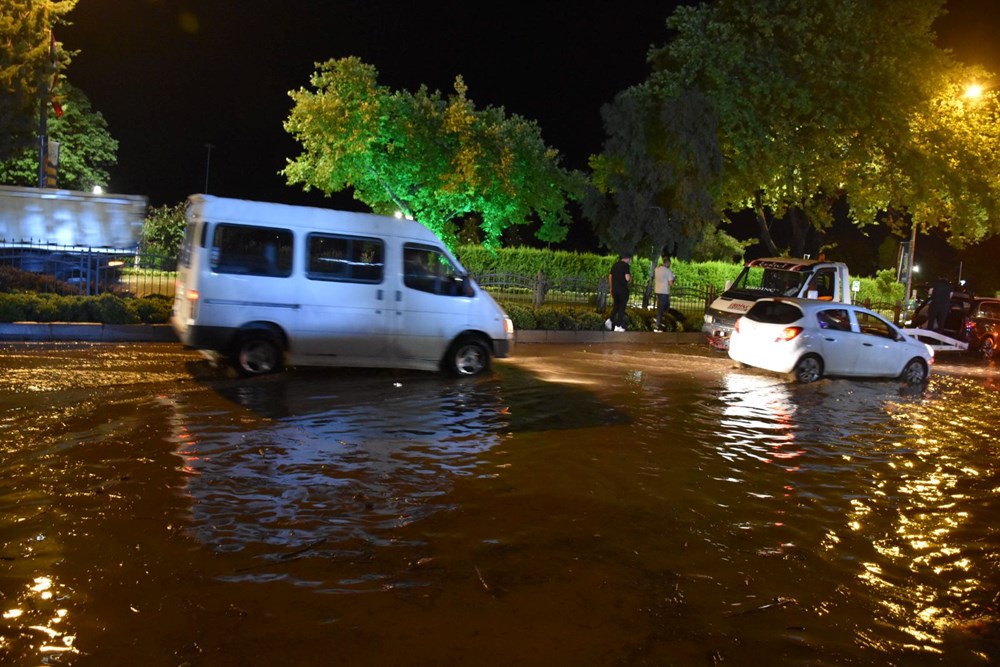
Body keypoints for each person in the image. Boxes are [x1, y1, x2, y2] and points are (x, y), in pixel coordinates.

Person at [606, 254, 632, 332]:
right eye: (630, 259)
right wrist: (630, 278)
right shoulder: (626, 266)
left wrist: (611, 288)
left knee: (616, 306)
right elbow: (627, 278)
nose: (630, 261)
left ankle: (610, 320)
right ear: (627, 258)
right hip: (623, 290)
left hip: (615, 290)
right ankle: (618, 325)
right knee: (622, 307)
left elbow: (610, 277)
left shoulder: (615, 265)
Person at [653, 256, 676, 332]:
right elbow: (670, 283)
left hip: (658, 290)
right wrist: (674, 279)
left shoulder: (656, 269)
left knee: (662, 306)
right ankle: (657, 324)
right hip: (664, 291)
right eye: (669, 263)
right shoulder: (667, 271)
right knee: (663, 307)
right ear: (668, 262)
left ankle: (660, 322)